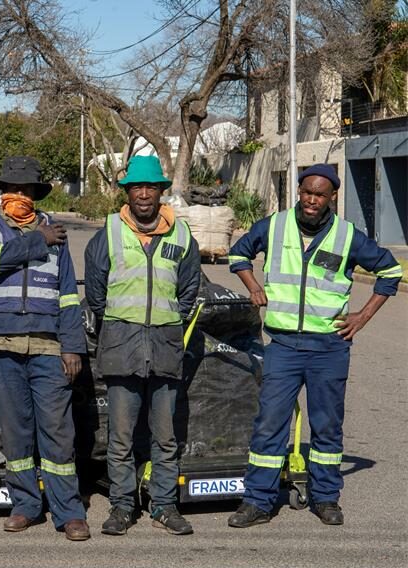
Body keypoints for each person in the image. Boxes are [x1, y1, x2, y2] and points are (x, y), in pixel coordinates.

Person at [226, 163, 403, 528]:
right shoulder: (274, 226)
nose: (311, 200)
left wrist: (361, 317)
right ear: (299, 191)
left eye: (319, 194)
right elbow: (238, 253)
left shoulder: (347, 236)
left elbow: (390, 272)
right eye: (306, 192)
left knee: (327, 427)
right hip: (283, 346)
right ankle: (258, 501)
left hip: (329, 349)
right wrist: (253, 286)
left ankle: (325, 498)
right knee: (269, 424)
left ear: (331, 197)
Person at [0, 156, 90, 542]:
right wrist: (37, 240)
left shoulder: (55, 230)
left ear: (36, 195)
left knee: (57, 430)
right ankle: (24, 506)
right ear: (1, 192)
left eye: (26, 190)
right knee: (17, 432)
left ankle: (68, 511)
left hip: (48, 345)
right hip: (2, 342)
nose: (18, 196)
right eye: (12, 189)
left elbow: (68, 294)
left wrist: (72, 346)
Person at [84, 155, 200, 537]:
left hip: (165, 349)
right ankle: (122, 507)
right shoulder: (108, 234)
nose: (145, 194)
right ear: (128, 193)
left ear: (161, 192)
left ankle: (164, 506)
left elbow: (188, 292)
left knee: (165, 437)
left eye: (151, 187)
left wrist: (165, 324)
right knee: (120, 437)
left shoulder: (182, 237)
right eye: (137, 188)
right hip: (122, 349)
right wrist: (121, 327)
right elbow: (96, 295)